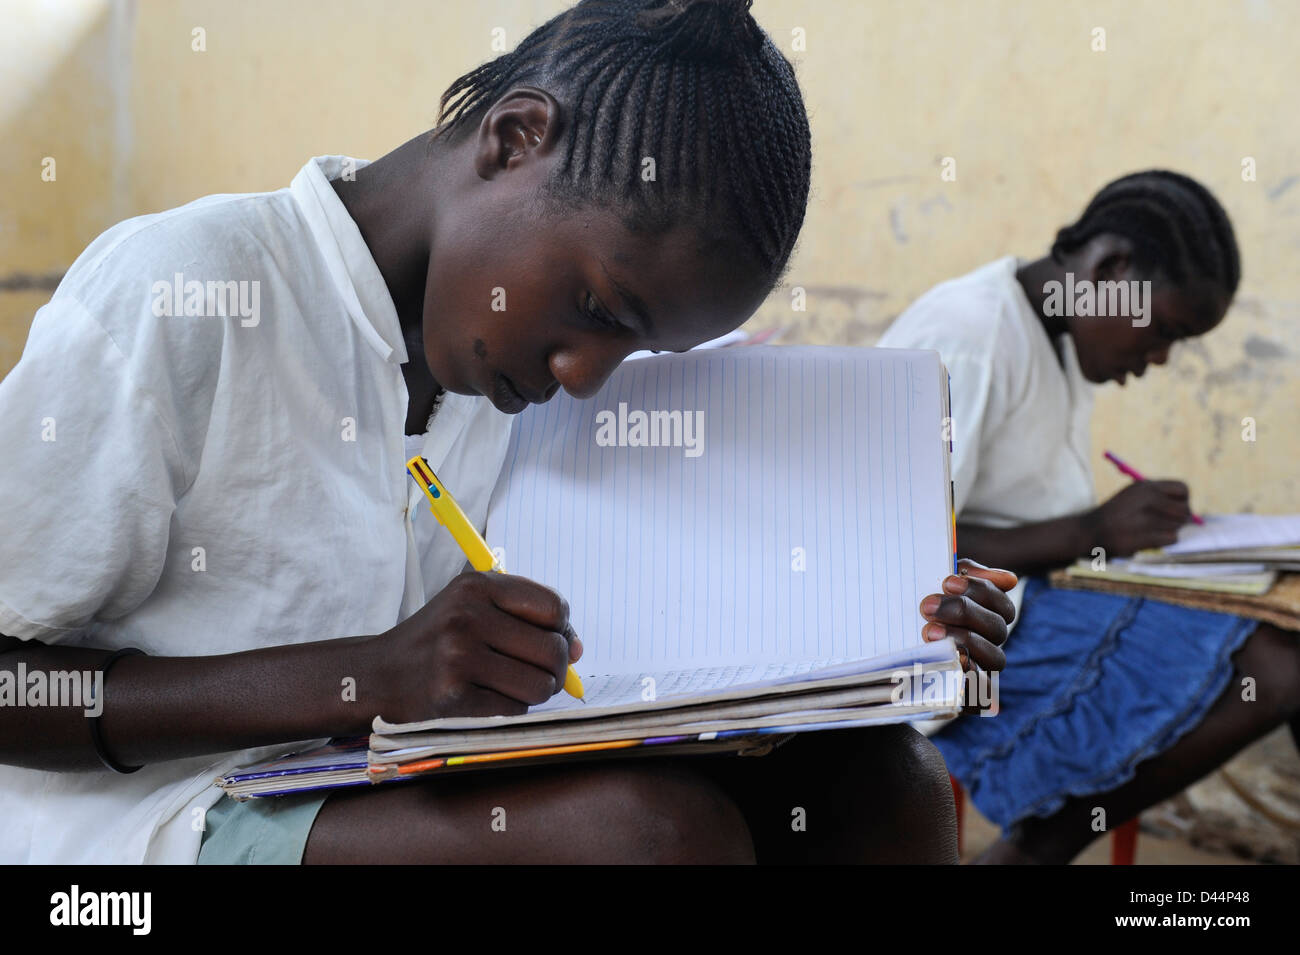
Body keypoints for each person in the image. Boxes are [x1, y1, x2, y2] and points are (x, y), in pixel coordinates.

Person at [0, 0, 1014, 865]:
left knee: (885, 785)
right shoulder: (187, 293)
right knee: (644, 839)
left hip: (412, 773)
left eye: (634, 350)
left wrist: (891, 631)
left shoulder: (513, 365)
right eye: (601, 312)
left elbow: (642, 650)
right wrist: (370, 671)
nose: (585, 378)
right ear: (514, 138)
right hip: (167, 818)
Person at [878, 169, 1300, 863]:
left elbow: (1025, 502)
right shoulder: (973, 333)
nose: (1160, 357)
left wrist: (1117, 537)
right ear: (1110, 268)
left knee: (1284, 632)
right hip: (957, 629)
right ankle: (1047, 841)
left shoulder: (1059, 333)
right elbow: (895, 539)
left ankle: (1051, 838)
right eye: (1164, 330)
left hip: (1037, 594)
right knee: (1280, 666)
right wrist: (1092, 532)